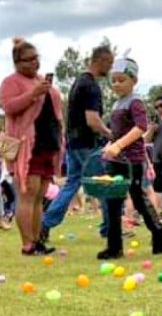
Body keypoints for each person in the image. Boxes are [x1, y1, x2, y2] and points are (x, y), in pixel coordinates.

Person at [40, 45, 114, 241]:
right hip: (87, 144)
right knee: (104, 183)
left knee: (72, 184)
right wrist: (109, 133)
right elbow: (92, 119)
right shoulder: (91, 86)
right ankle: (110, 228)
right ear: (101, 60)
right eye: (110, 63)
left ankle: (45, 223)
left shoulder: (78, 83)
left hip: (74, 142)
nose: (111, 68)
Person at [98, 54, 162, 258]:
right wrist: (111, 144)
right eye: (114, 80)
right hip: (115, 159)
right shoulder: (117, 104)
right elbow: (117, 132)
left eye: (122, 80)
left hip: (132, 161)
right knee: (112, 201)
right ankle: (114, 246)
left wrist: (119, 145)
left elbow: (140, 127)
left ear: (134, 81)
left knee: (137, 198)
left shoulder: (135, 102)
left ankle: (158, 230)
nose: (117, 84)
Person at [0, 38, 64, 256]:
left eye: (37, 58)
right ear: (18, 62)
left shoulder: (41, 80)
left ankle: (37, 240)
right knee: (27, 194)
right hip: (27, 147)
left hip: (48, 144)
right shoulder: (11, 82)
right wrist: (34, 93)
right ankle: (27, 243)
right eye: (30, 59)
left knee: (40, 196)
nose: (35, 63)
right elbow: (9, 107)